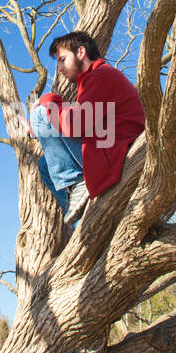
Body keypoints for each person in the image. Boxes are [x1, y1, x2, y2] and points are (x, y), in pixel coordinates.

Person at [27, 30, 145, 224]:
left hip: (117, 152)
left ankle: (79, 184)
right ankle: (81, 221)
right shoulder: (91, 81)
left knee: (41, 111)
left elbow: (74, 124)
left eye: (62, 59)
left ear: (81, 52)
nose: (59, 68)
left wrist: (48, 101)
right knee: (45, 166)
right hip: (105, 149)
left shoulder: (101, 75)